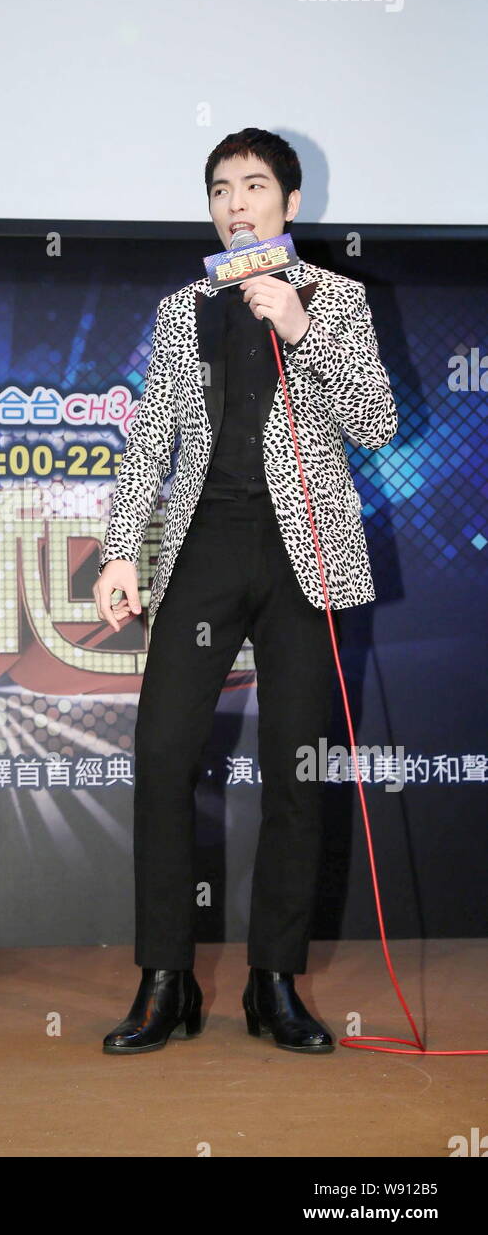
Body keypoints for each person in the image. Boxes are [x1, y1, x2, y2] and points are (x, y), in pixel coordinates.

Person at [94, 128, 398, 1056]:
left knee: (297, 768)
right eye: (221, 189)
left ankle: (275, 983)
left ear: (290, 204)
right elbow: (153, 443)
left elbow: (375, 421)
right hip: (206, 542)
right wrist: (121, 551)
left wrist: (302, 332)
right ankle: (165, 979)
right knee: (163, 752)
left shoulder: (338, 300)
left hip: (307, 549)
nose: (236, 204)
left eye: (254, 187)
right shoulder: (184, 306)